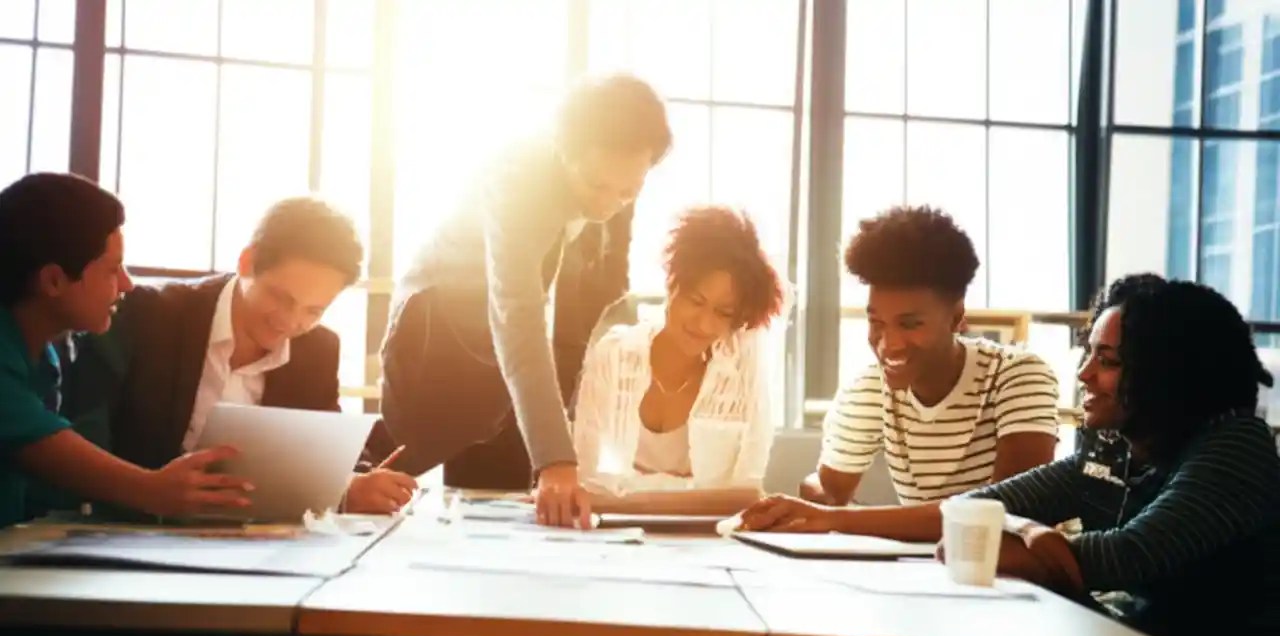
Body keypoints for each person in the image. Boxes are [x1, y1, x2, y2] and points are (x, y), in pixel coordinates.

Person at [741, 274, 1280, 636]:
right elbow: (978, 509)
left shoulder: (1235, 446)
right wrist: (825, 520)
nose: (1086, 373)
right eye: (1089, 354)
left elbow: (1124, 557)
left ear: (1172, 371)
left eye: (1110, 362)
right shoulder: (1119, 450)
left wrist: (1012, 542)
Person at [379, 73, 672, 528]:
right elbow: (516, 314)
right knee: (396, 468)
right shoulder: (518, 177)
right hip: (441, 328)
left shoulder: (618, 172)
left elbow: (607, 287)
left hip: (515, 355)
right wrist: (556, 457)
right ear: (564, 151)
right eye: (598, 186)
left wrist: (595, 402)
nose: (612, 202)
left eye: (628, 191)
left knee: (505, 504)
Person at [48, 197, 416, 517]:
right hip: (130, 527)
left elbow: (324, 445)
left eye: (313, 310)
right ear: (246, 262)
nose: (289, 322)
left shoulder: (316, 349)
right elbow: (84, 435)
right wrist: (147, 491)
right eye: (280, 297)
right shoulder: (152, 316)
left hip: (253, 537)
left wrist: (354, 483)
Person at [0, 172, 251, 528]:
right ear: (54, 280)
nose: (127, 285)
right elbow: (40, 446)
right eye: (112, 269)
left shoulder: (45, 355)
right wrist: (152, 489)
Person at [802, 205, 1059, 506]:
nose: (889, 344)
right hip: (927, 555)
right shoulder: (869, 388)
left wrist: (842, 520)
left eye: (910, 324)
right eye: (876, 322)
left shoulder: (1019, 375)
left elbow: (1005, 510)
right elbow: (827, 492)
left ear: (956, 317)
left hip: (1024, 553)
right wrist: (804, 504)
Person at [568, 206, 786, 521]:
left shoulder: (742, 370)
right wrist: (692, 496)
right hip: (613, 534)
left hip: (708, 541)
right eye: (696, 301)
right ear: (672, 285)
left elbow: (746, 495)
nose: (704, 323)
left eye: (723, 313)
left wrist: (626, 496)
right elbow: (591, 479)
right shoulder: (613, 355)